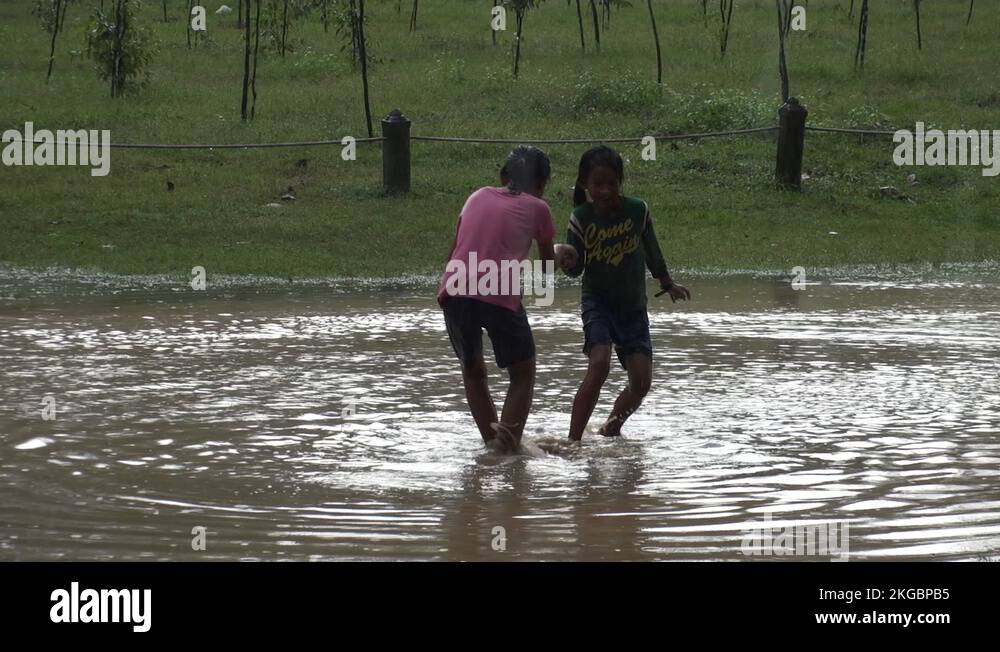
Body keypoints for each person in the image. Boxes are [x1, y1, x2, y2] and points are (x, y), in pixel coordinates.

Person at [562, 145, 691, 441]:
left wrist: (667, 282)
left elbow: (651, 249)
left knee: (642, 382)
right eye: (598, 184)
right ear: (585, 184)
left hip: (633, 307)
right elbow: (576, 268)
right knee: (599, 365)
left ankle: (611, 429)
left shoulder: (637, 210)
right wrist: (565, 259)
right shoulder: (580, 217)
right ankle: (574, 440)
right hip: (598, 303)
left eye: (612, 183)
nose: (605, 191)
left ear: (621, 181)